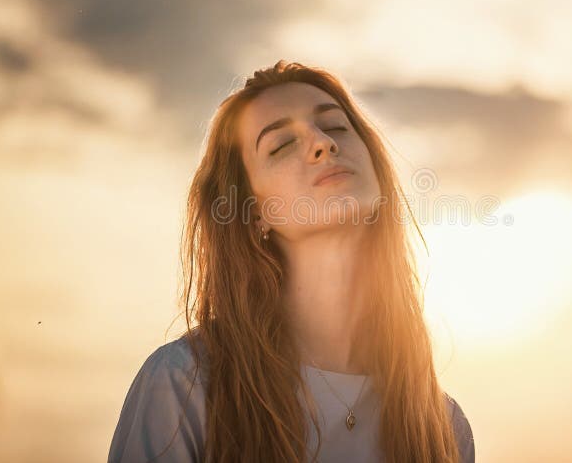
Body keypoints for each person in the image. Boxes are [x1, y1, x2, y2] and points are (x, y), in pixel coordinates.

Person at [107, 60, 475, 462]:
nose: (323, 144)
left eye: (336, 127)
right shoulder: (185, 385)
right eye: (281, 145)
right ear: (252, 212)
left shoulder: (441, 426)